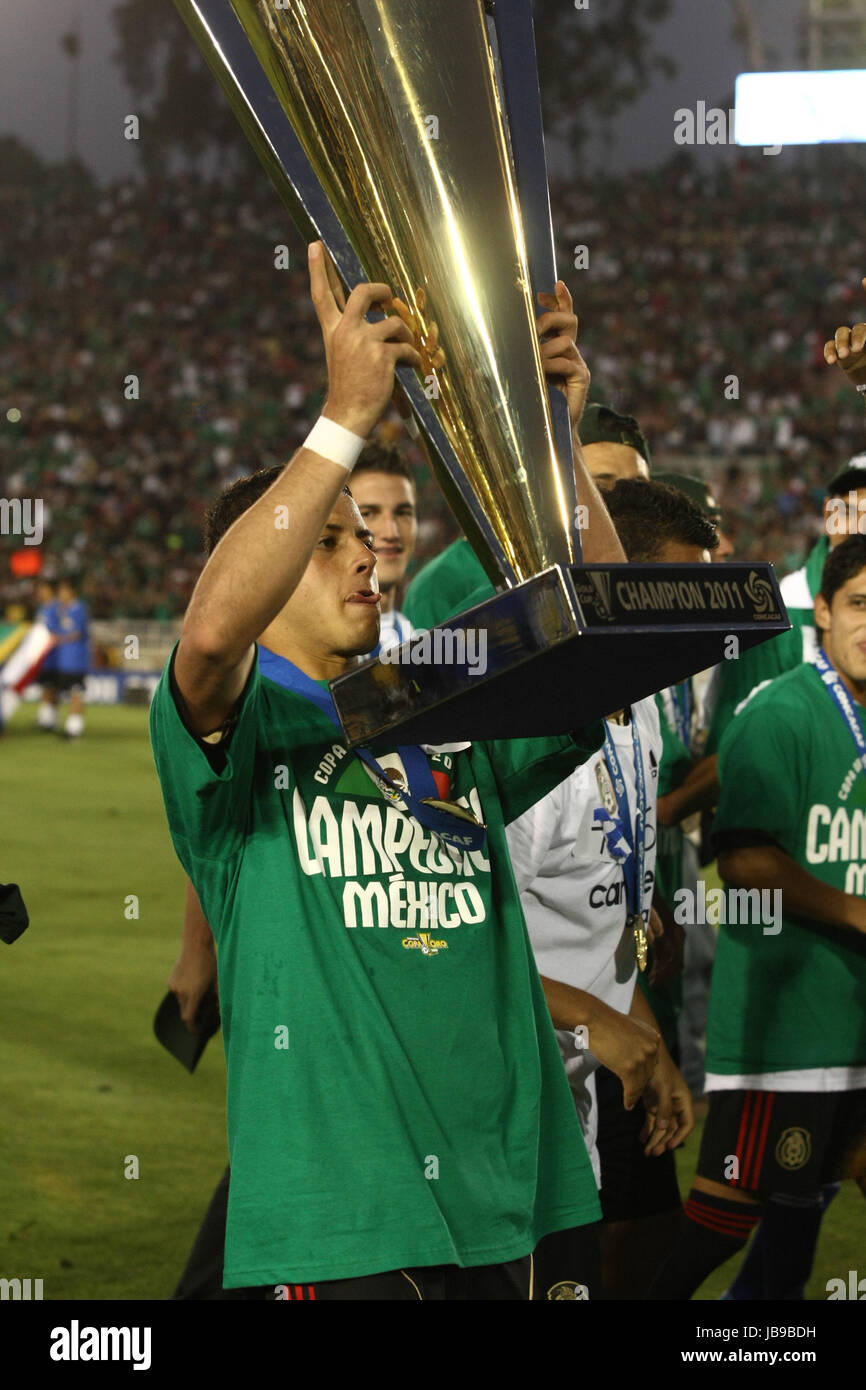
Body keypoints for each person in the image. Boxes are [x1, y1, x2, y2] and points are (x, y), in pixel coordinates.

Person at [151, 242, 626, 1300]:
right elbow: (211, 633)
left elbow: (599, 640)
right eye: (326, 542)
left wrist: (551, 432)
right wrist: (342, 415)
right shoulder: (243, 732)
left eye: (364, 533)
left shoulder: (443, 697)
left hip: (500, 1192)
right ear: (264, 567)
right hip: (343, 1218)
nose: (366, 553)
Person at [508, 478, 718, 1299]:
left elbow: (607, 913)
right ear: (614, 586)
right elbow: (466, 942)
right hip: (508, 1103)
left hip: (586, 1087)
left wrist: (640, 1028)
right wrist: (600, 1018)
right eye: (680, 594)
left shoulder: (645, 717)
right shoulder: (530, 735)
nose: (699, 621)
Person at [649, 535, 866, 1300]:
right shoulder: (780, 712)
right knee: (723, 1221)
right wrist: (857, 912)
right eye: (859, 604)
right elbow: (743, 862)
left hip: (856, 1025)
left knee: (802, 1215)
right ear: (828, 618)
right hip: (786, 1031)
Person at [403, 400, 648, 630]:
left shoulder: (659, 575)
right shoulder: (446, 584)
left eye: (641, 488)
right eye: (600, 486)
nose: (626, 501)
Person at [40, 578, 90, 739]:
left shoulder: (79, 609)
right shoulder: (64, 610)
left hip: (76, 661)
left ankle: (74, 729)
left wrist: (57, 639)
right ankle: (56, 722)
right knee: (64, 693)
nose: (60, 594)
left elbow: (76, 633)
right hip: (64, 661)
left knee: (76, 693)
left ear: (71, 592)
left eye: (63, 591)